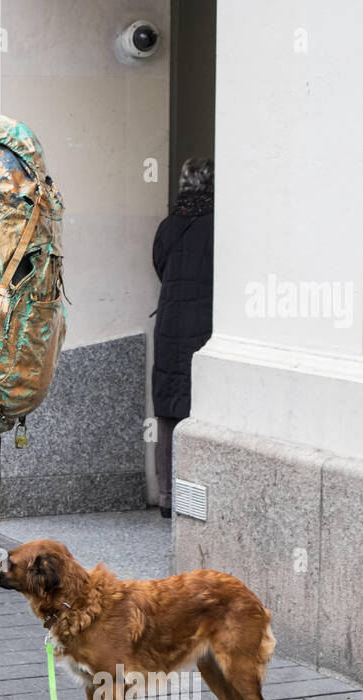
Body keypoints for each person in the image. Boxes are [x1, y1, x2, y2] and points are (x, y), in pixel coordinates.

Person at [151, 158, 213, 518]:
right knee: (197, 404)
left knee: (166, 409)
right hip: (203, 326)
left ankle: (166, 496)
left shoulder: (167, 226)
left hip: (169, 323)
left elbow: (159, 266)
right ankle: (195, 493)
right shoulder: (215, 228)